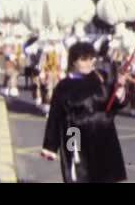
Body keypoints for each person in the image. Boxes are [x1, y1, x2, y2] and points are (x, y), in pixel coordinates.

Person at [41, 42, 129, 183]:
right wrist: (50, 146)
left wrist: (120, 91)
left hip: (103, 132)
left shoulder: (102, 78)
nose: (89, 63)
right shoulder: (63, 86)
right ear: (73, 61)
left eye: (90, 59)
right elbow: (55, 117)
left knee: (105, 175)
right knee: (78, 173)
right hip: (74, 133)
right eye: (84, 59)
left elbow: (115, 104)